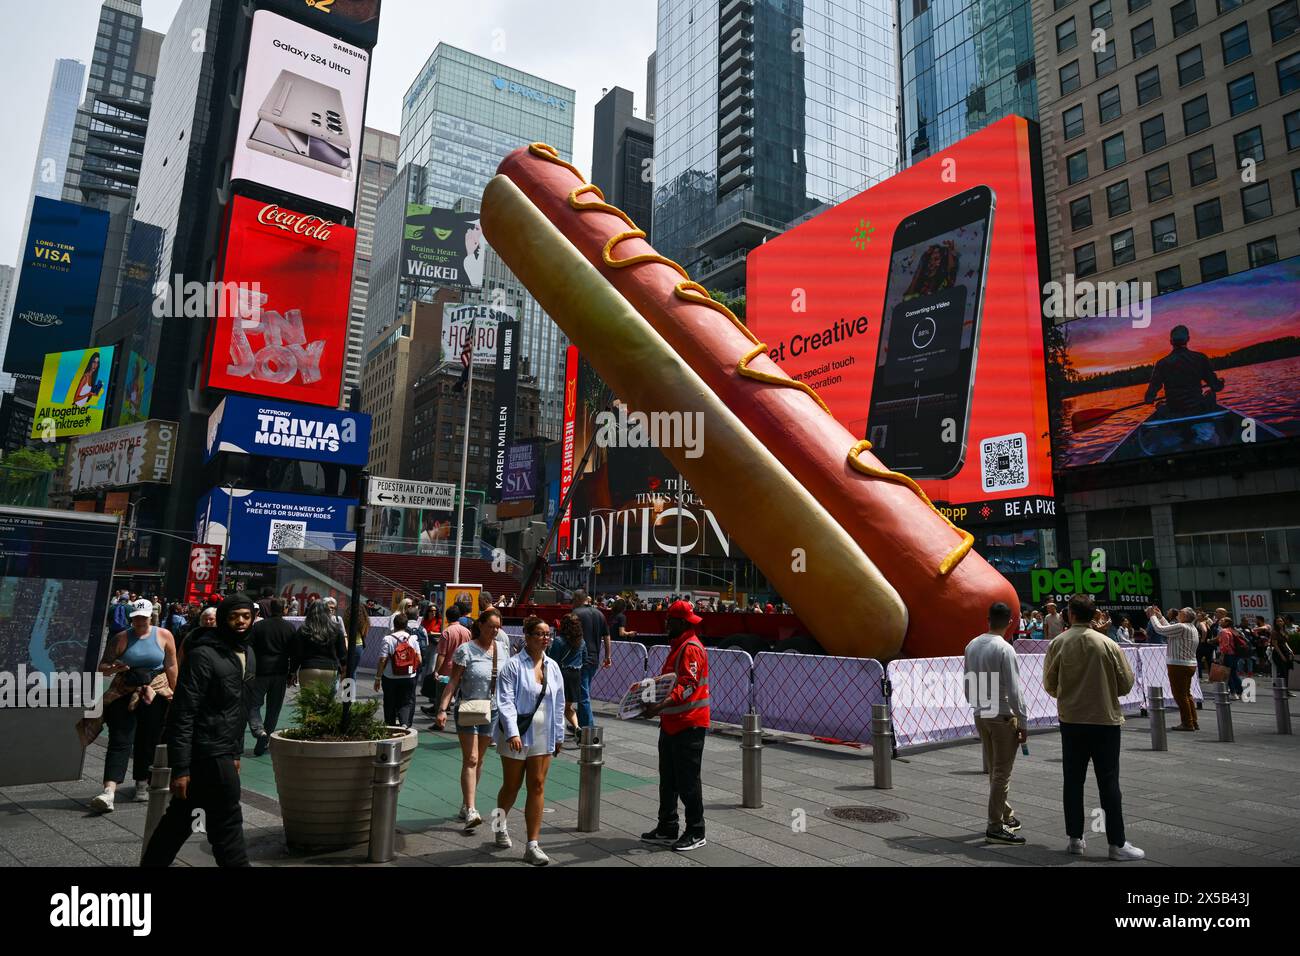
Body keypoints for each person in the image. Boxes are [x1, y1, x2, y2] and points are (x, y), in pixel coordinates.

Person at [142, 594, 256, 867]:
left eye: (246, 616)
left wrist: (236, 751)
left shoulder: (248, 653)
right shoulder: (203, 655)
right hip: (206, 751)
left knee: (180, 819)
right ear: (222, 620)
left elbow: (239, 709)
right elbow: (184, 712)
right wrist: (180, 768)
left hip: (223, 751)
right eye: (234, 616)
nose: (240, 621)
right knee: (227, 822)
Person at [1043, 593, 1144, 861]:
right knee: (1109, 781)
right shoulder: (1108, 644)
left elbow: (1050, 685)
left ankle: (1075, 838)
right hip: (1104, 720)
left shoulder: (1058, 643)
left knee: (1072, 781)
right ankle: (1116, 843)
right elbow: (1126, 684)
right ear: (1094, 614)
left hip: (1071, 720)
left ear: (1070, 614)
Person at [87, 599, 178, 812]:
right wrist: (116, 668)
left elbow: (171, 664)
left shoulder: (164, 635)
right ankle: (109, 790)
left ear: (151, 617)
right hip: (124, 691)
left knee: (149, 739)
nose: (139, 621)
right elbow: (102, 667)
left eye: (143, 617)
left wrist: (176, 693)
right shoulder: (121, 638)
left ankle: (142, 783)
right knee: (120, 739)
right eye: (136, 617)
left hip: (154, 691)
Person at [491, 616, 565, 865]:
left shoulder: (552, 666)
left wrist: (559, 734)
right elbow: (505, 701)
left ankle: (532, 844)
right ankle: (499, 825)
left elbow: (560, 703)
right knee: (511, 787)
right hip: (518, 734)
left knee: (537, 785)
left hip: (544, 734)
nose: (546, 639)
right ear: (528, 637)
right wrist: (512, 732)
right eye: (540, 634)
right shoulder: (512, 666)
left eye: (548, 634)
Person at [639, 600, 710, 852]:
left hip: (688, 725)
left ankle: (696, 830)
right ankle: (667, 826)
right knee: (668, 780)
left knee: (688, 781)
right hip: (672, 723)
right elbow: (674, 682)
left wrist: (658, 707)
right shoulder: (679, 646)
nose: (666, 624)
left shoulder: (690, 648)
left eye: (669, 620)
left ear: (680, 622)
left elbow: (687, 685)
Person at [435, 610, 511, 828]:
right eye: (491, 626)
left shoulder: (502, 648)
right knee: (472, 758)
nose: (495, 630)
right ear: (480, 625)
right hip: (468, 707)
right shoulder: (465, 650)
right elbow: (453, 682)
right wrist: (442, 709)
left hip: (493, 709)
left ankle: (466, 803)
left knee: (480, 760)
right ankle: (471, 809)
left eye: (498, 626)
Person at [963, 602, 1028, 846]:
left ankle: (1006, 815)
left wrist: (977, 705)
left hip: (981, 712)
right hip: (1002, 714)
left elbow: (968, 681)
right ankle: (995, 825)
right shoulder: (1004, 648)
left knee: (994, 770)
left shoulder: (972, 645)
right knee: (1001, 773)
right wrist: (1022, 721)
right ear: (1010, 622)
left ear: (987, 619)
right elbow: (1014, 690)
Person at [1144, 324, 1226, 442]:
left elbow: (1148, 399)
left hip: (1174, 413)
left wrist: (1151, 399)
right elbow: (1216, 387)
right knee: (1210, 394)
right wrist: (1221, 382)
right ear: (1188, 339)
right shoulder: (1200, 358)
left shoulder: (1162, 364)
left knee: (1160, 406)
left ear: (1171, 342)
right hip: (1198, 410)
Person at [248, 597, 294, 756]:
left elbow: (250, 648)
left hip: (260, 671)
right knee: (274, 708)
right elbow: (294, 652)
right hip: (280, 671)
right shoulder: (290, 628)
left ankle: (258, 730)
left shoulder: (259, 626)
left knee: (253, 704)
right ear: (285, 609)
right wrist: (292, 672)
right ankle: (266, 737)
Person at [1146, 607, 1200, 731]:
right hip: (1190, 664)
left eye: (1181, 612)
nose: (1178, 614)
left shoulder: (1182, 627)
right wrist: (1160, 617)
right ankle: (1193, 721)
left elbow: (1160, 630)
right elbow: (1169, 629)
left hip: (1178, 664)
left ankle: (1187, 723)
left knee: (1180, 695)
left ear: (1185, 616)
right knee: (1186, 694)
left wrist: (1152, 616)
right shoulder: (1191, 628)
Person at [422, 602, 472, 718]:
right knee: (459, 694)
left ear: (447, 617)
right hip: (462, 667)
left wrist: (436, 670)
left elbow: (442, 654)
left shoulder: (447, 632)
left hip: (447, 669)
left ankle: (439, 716)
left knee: (441, 695)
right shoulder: (467, 632)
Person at [571, 589, 611, 728]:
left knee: (583, 694)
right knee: (584, 691)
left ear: (577, 599)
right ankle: (582, 724)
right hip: (595, 658)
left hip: (580, 658)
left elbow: (571, 636)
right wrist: (608, 656)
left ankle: (589, 727)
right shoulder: (600, 614)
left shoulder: (576, 613)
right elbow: (606, 636)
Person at [375, 612, 421, 728]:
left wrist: (378, 677)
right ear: (406, 625)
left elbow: (383, 659)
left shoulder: (388, 639)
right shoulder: (413, 639)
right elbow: (419, 659)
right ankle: (404, 723)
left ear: (394, 625)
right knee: (405, 702)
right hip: (409, 676)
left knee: (389, 701)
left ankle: (390, 725)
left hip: (390, 676)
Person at [290, 599, 346, 691]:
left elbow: (297, 654)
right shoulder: (335, 629)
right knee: (324, 702)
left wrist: (292, 671)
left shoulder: (304, 629)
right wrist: (344, 670)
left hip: (309, 667)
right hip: (330, 668)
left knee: (309, 701)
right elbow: (343, 653)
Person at [547, 612, 585, 740]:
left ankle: (556, 732)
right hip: (576, 675)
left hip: (562, 674)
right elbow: (584, 658)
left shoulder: (559, 641)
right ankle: (577, 727)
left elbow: (553, 660)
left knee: (557, 705)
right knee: (568, 707)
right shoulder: (582, 642)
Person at [323, 596, 357, 678]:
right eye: (330, 607)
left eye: (334, 608)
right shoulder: (321, 619)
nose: (332, 609)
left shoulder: (338, 619)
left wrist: (346, 647)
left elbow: (344, 634)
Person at [1217, 615, 1249, 700]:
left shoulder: (1224, 631)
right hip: (1235, 654)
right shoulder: (1233, 630)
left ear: (1227, 622)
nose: (1220, 621)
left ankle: (1233, 693)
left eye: (1222, 620)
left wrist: (1222, 656)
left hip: (1228, 655)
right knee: (1234, 674)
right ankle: (1241, 692)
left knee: (1228, 674)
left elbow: (1225, 645)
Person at [1270, 618, 1295, 696]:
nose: (1279, 622)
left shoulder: (1284, 631)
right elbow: (1275, 645)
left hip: (1285, 652)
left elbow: (1285, 642)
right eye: (1277, 621)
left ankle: (1286, 690)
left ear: (1283, 622)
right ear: (1275, 623)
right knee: (1282, 672)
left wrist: (1290, 650)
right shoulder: (1274, 632)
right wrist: (1282, 656)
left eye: (1281, 621)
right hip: (1278, 654)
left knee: (1286, 672)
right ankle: (1281, 690)